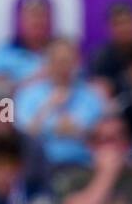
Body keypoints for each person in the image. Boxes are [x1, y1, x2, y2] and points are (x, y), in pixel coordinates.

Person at [15, 38, 104, 171]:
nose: (64, 68)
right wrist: (48, 107)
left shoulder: (91, 96)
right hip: (39, 166)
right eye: (58, 62)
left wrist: (70, 128)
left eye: (68, 61)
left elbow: (97, 134)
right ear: (47, 64)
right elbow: (24, 136)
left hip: (83, 165)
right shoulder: (27, 95)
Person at [0, 0, 53, 88]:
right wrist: (35, 79)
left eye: (42, 15)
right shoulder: (4, 54)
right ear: (20, 20)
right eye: (32, 15)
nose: (37, 21)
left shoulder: (61, 52)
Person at [88, 1, 132, 98]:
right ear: (109, 28)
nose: (124, 28)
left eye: (128, 22)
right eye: (118, 24)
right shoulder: (100, 58)